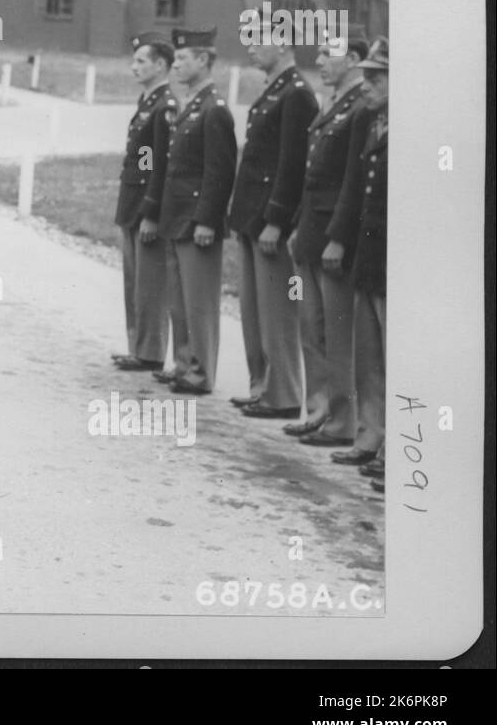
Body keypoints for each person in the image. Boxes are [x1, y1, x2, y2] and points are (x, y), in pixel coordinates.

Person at [227, 27, 319, 420]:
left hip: (270, 220)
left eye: (258, 40)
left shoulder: (296, 92)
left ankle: (282, 394)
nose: (250, 47)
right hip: (253, 215)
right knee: (253, 308)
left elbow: (292, 164)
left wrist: (277, 221)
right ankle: (261, 385)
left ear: (283, 44)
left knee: (277, 309)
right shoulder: (275, 88)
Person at [285, 29, 370, 447]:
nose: (318, 60)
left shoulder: (360, 108)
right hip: (311, 235)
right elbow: (313, 177)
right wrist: (299, 226)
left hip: (334, 239)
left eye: (326, 53)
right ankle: (319, 408)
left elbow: (351, 184)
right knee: (310, 325)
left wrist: (337, 237)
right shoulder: (334, 103)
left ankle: (343, 420)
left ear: (353, 58)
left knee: (338, 332)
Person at [156, 27, 237, 394]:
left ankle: (201, 372)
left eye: (183, 59)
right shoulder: (193, 104)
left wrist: (207, 219)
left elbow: (219, 172)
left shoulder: (214, 109)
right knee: (180, 299)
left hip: (197, 220)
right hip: (178, 217)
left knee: (199, 302)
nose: (176, 65)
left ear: (203, 61)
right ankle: (185, 363)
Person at [326, 38, 388, 475]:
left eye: (377, 78)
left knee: (394, 357)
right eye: (364, 76)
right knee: (368, 357)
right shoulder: (372, 122)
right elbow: (355, 189)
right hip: (368, 259)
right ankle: (371, 437)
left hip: (392, 262)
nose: (366, 86)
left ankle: (397, 452)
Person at [111, 31, 179, 372]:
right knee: (134, 281)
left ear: (161, 65)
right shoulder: (148, 101)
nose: (133, 67)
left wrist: (149, 210)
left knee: (149, 284)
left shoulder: (163, 106)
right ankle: (138, 345)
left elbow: (154, 163)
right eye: (134, 60)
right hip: (133, 202)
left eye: (141, 61)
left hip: (144, 205)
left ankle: (150, 351)